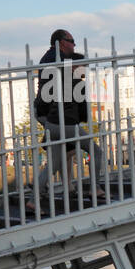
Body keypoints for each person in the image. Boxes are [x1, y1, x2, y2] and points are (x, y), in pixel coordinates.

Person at [30, 29, 107, 210]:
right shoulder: (65, 70)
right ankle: (94, 188)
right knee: (95, 151)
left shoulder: (53, 62)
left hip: (51, 119)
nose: (74, 44)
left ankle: (34, 199)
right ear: (61, 42)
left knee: (56, 160)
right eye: (71, 41)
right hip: (61, 121)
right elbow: (77, 107)